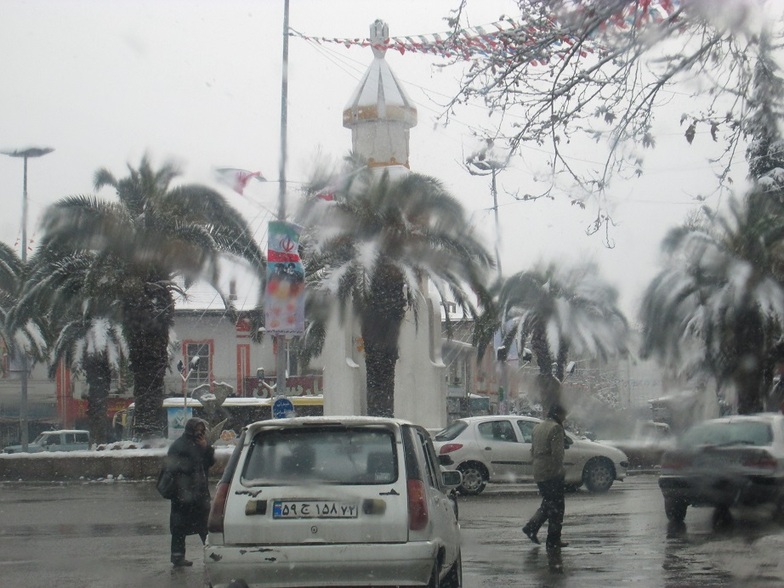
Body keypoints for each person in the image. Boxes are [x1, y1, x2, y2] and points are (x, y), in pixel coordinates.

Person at [166, 417, 216, 567]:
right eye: (197, 430)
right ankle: (177, 557)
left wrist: (206, 447)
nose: (199, 433)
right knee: (179, 527)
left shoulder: (200, 445)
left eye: (202, 430)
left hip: (199, 494)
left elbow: (209, 462)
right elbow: (177, 468)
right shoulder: (179, 445)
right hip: (183, 494)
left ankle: (211, 555)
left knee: (205, 526)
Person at [522, 404, 569, 551]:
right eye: (564, 416)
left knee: (549, 503)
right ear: (559, 415)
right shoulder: (556, 428)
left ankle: (532, 528)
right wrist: (560, 471)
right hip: (551, 472)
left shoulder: (538, 427)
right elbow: (557, 455)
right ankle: (553, 539)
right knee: (557, 507)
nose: (565, 419)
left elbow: (532, 450)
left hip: (539, 470)